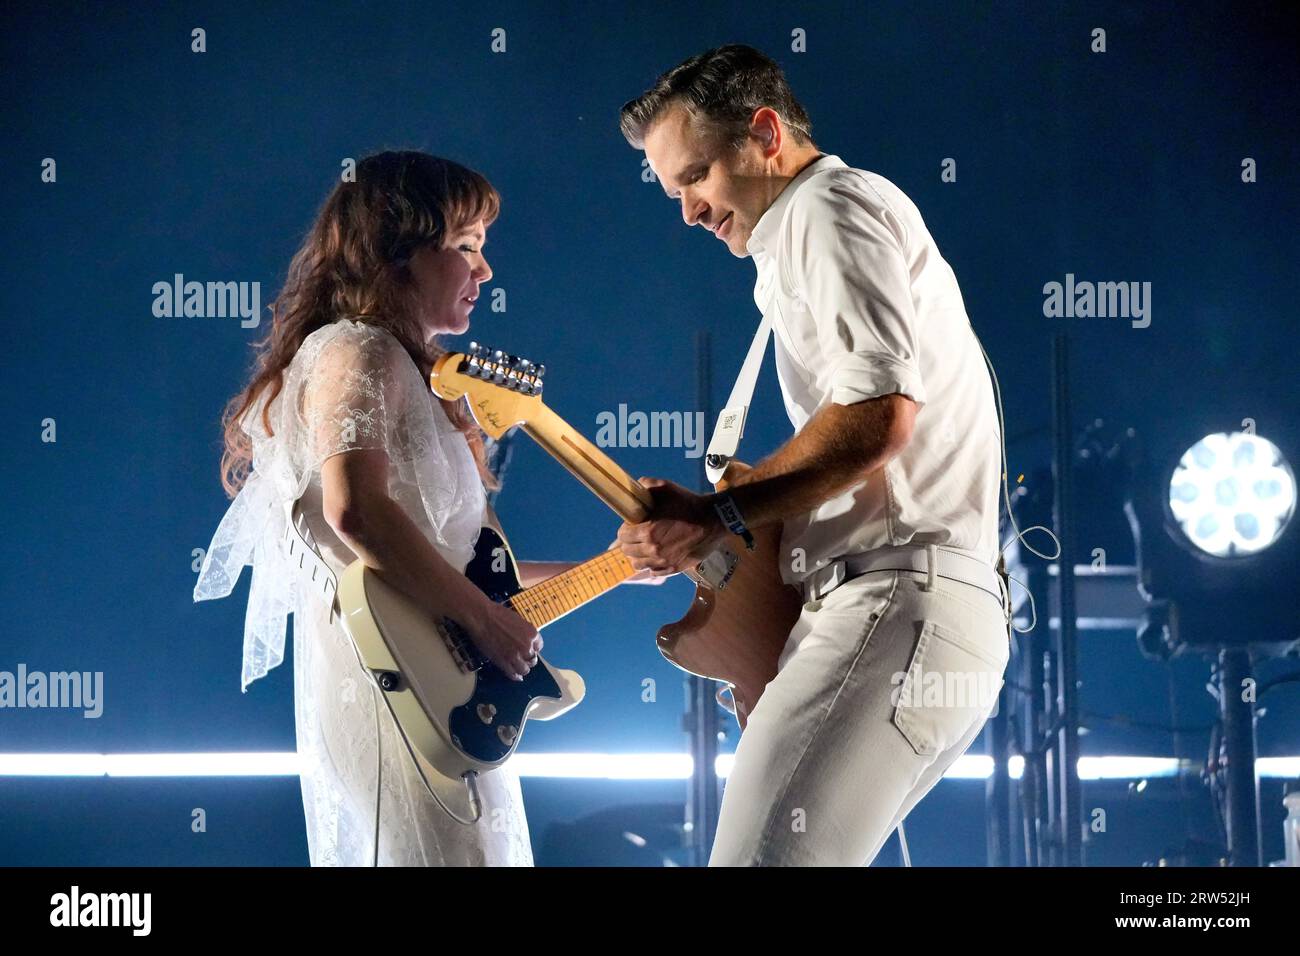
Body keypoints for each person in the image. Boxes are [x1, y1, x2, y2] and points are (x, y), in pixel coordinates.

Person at [616, 45, 1012, 866]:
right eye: (673, 192)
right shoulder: (800, 241)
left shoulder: (829, 206)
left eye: (695, 177)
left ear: (764, 132)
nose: (687, 211)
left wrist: (718, 513)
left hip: (899, 605)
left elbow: (877, 421)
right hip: (912, 612)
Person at [194, 150, 594, 866]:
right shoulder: (359, 351)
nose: (485, 270)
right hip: (397, 686)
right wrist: (484, 623)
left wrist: (618, 565)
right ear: (397, 251)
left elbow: (457, 570)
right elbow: (358, 514)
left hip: (432, 685)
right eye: (465, 247)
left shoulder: (402, 366)